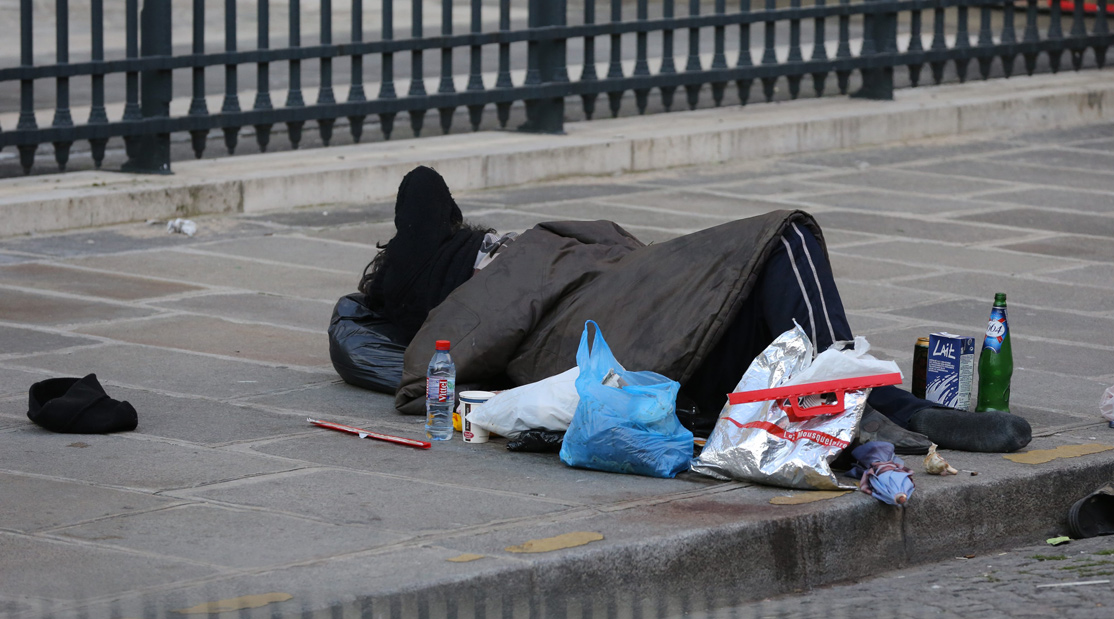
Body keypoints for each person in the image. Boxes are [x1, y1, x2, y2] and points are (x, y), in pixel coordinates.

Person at [361, 166, 1031, 454]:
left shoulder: (498, 269)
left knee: (769, 295)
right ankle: (880, 406)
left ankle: (886, 410)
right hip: (624, 326)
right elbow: (421, 188)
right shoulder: (448, 285)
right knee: (783, 238)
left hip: (641, 306)